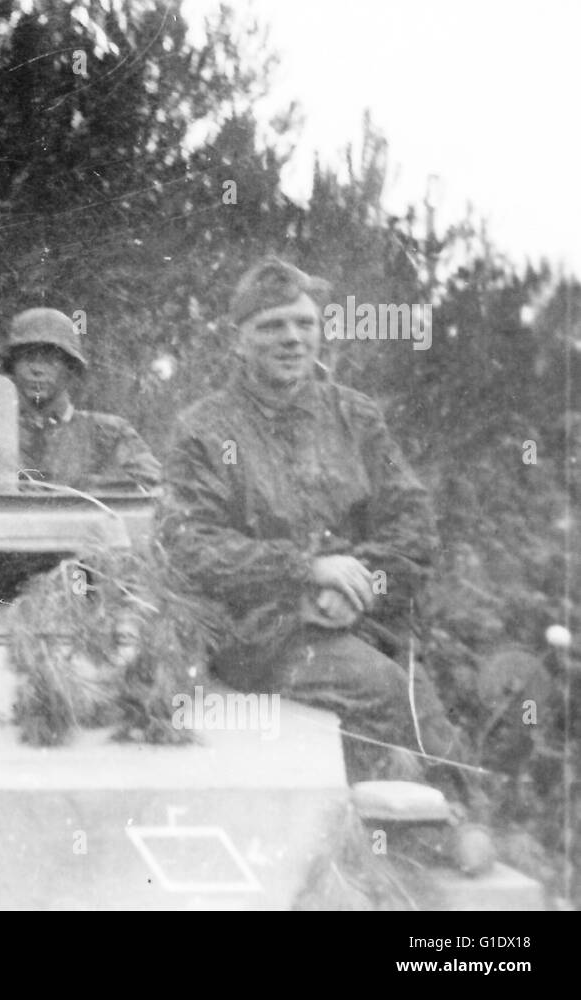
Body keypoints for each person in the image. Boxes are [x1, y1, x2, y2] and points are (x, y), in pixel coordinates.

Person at [161, 258, 477, 807]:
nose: (292, 339)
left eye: (304, 324)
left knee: (399, 689)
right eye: (272, 326)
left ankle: (396, 830)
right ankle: (461, 822)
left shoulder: (355, 417)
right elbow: (191, 544)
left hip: (360, 618)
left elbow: (414, 522)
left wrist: (358, 584)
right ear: (239, 341)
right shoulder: (205, 430)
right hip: (257, 632)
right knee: (391, 692)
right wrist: (303, 570)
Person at [2, 308, 161, 491]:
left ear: (71, 370)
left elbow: (160, 490)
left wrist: (94, 489)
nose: (37, 369)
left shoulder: (108, 433)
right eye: (27, 358)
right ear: (11, 367)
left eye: (50, 359)